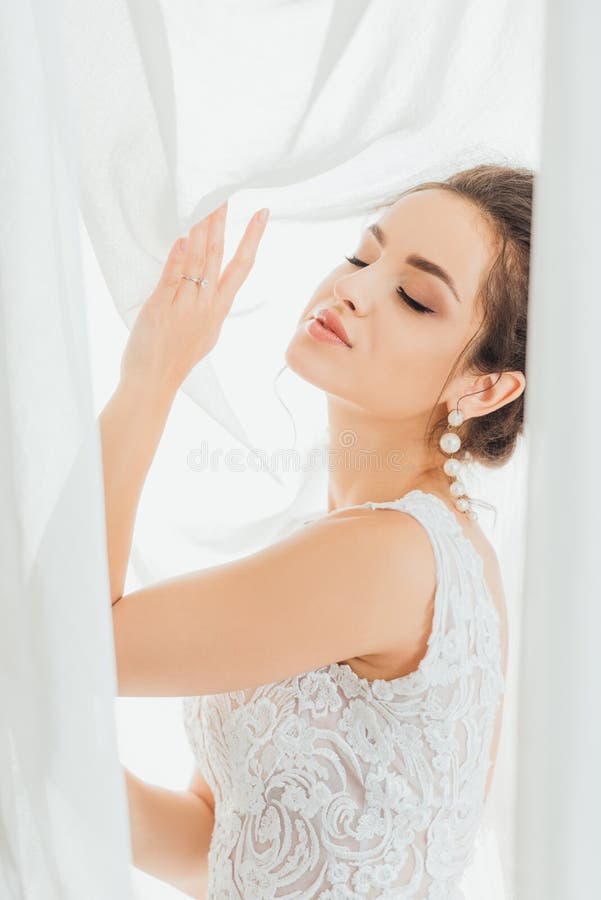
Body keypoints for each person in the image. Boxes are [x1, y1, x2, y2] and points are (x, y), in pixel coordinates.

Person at [104, 162, 531, 898]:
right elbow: (213, 841)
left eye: (413, 297)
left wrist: (151, 373)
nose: (353, 291)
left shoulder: (392, 556)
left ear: (484, 387)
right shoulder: (389, 544)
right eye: (362, 257)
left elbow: (79, 646)